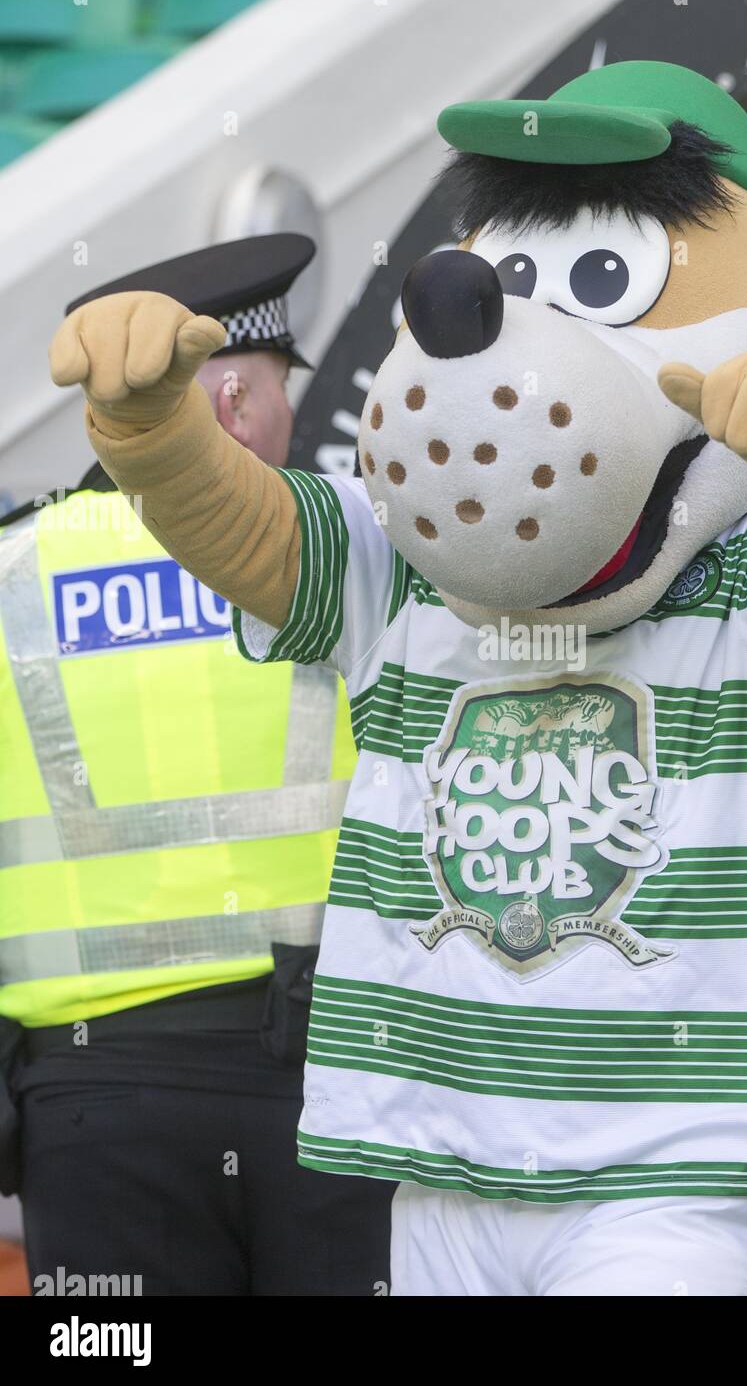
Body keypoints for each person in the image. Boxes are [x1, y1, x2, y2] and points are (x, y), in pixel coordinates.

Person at [49, 64, 747, 1297]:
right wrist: (155, 436)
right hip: (445, 1157)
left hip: (673, 1166)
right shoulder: (407, 575)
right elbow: (259, 533)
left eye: (599, 283)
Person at [2, 235, 392, 1296]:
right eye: (273, 397)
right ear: (224, 403)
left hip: (92, 1103)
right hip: (329, 1079)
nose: (288, 427)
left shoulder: (11, 571)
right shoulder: (341, 555)